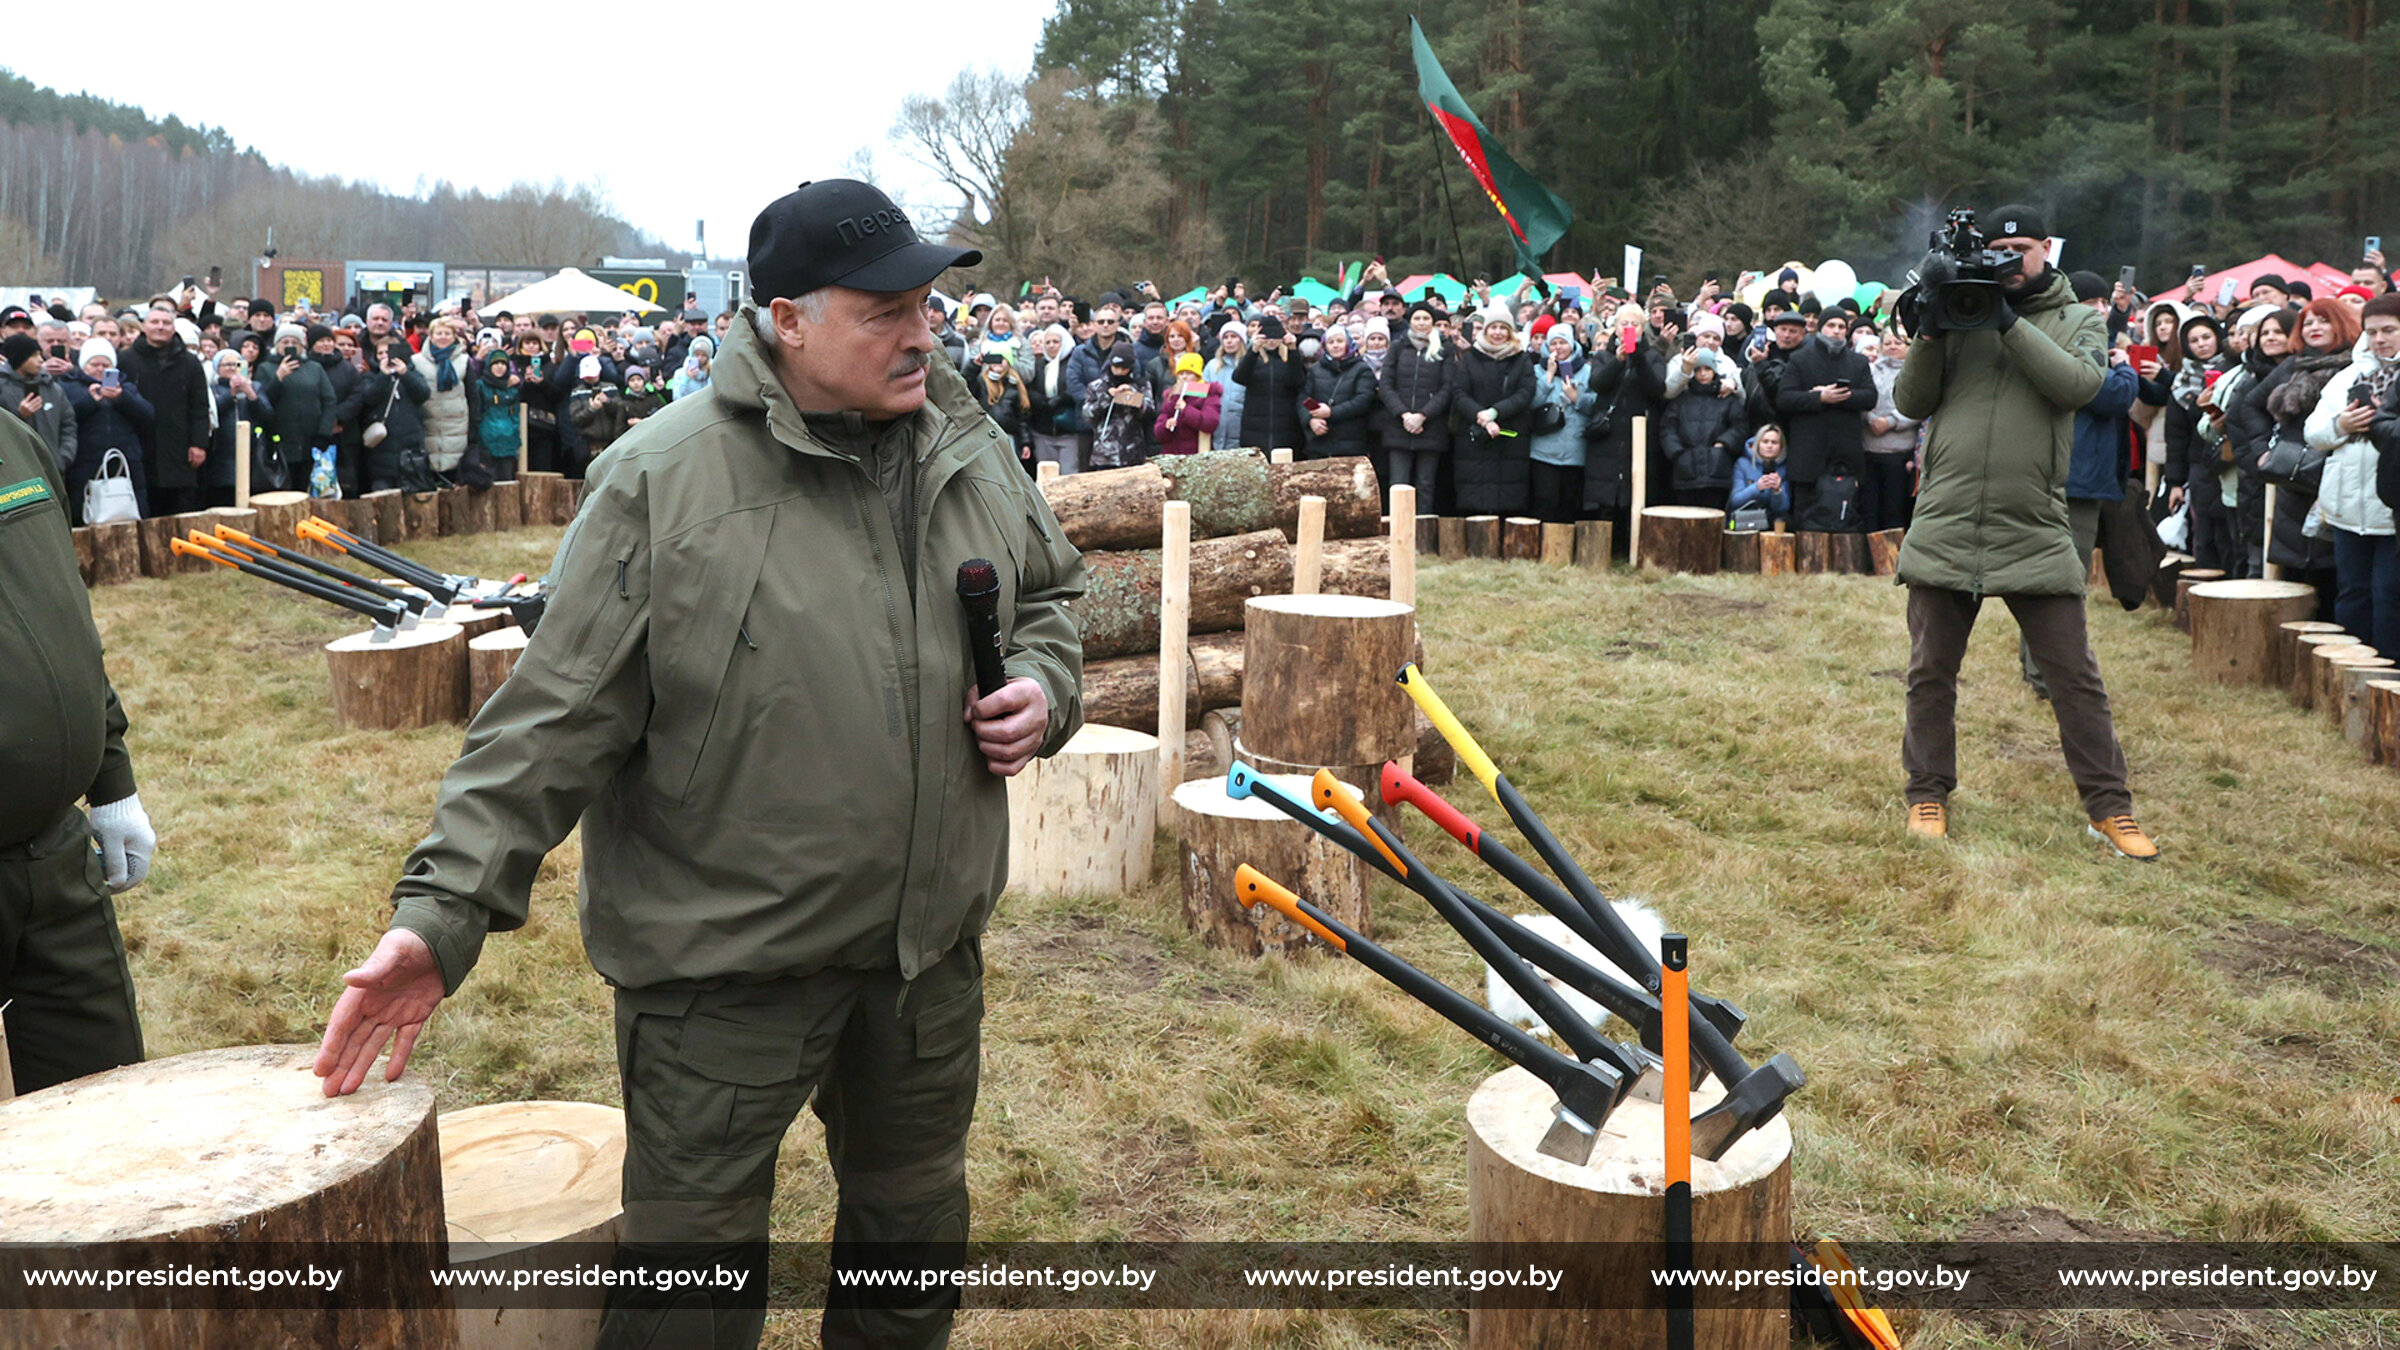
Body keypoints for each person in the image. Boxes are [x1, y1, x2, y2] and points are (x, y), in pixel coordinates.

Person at [312, 179, 1084, 1350]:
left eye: (927, 303)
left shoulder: (962, 445)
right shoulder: (661, 481)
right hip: (725, 977)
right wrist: (442, 915)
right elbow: (550, 719)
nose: (922, 332)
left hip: (925, 964)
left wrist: (1047, 687)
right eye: (883, 311)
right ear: (785, 319)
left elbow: (1054, 599)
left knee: (912, 1254)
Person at [1890, 205, 2156, 858]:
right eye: (1998, 247)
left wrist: (2004, 321)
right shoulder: (1956, 313)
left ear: (2046, 250)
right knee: (1930, 672)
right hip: (1949, 515)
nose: (2010, 259)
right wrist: (1930, 326)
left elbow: (2077, 386)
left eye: (2022, 248)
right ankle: (1927, 791)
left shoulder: (2078, 320)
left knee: (2074, 675)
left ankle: (2109, 809)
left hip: (2036, 522)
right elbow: (1909, 402)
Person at [0, 409, 155, 1095]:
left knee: (105, 1112)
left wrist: (111, 773)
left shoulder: (10, 435)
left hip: (56, 859)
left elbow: (65, 610)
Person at [2301, 293, 2399, 656]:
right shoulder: (2349, 375)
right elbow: (2313, 432)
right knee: (2353, 592)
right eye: (2372, 331)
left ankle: (2389, 676)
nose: (2380, 339)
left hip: (2391, 511)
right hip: (2347, 507)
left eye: (2389, 330)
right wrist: (2341, 424)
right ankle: (2346, 673)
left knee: (2389, 595)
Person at [2249, 299, 2357, 616]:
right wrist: (2261, 451)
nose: (2314, 328)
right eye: (2308, 322)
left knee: (2333, 573)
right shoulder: (2292, 365)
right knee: (2295, 570)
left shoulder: (2357, 365)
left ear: (2340, 324)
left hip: (2335, 477)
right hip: (2292, 480)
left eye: (2323, 321)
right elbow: (2250, 406)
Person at [1776, 307, 1874, 530]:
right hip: (1808, 453)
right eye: (1831, 325)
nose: (1836, 331)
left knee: (1846, 516)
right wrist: (1819, 397)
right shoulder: (1799, 359)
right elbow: (1785, 398)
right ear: (1821, 328)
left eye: (1841, 326)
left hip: (1845, 455)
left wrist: (1840, 396)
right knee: (1806, 516)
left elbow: (1870, 397)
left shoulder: (1858, 362)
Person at [116, 300, 211, 516]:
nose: (160, 327)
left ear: (173, 328)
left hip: (179, 445)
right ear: (144, 327)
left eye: (166, 323)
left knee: (179, 509)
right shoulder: (126, 359)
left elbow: (199, 406)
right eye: (155, 322)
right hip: (139, 444)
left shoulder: (190, 362)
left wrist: (199, 444)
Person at [1449, 307, 1536, 516]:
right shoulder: (1470, 358)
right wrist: (1482, 417)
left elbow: (1526, 392)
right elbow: (1460, 392)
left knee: (1509, 498)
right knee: (1475, 496)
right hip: (1475, 433)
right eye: (1493, 327)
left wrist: (1496, 412)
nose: (1498, 332)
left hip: (1511, 433)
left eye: (1503, 328)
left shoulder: (1521, 359)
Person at [63, 338, 153, 521]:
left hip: (125, 460)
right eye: (94, 364)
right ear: (83, 365)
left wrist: (122, 399)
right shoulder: (69, 386)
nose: (100, 369)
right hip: (84, 462)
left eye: (105, 364)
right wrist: (89, 402)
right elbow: (64, 418)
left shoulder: (126, 387)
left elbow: (148, 415)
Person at [1376, 304, 1449, 503]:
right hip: (1399, 426)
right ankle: (1398, 530)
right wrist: (1404, 414)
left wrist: (1423, 416)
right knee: (1398, 484)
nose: (1421, 322)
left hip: (1430, 426)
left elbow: (1448, 388)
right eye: (1417, 318)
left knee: (1425, 484)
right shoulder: (1399, 347)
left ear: (1432, 322)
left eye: (1426, 318)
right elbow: (1386, 384)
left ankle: (1423, 531)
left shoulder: (1444, 348)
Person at [1525, 326, 1596, 522]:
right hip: (1543, 449)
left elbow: (1596, 406)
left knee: (1569, 502)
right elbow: (1530, 404)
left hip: (1575, 447)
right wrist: (1548, 378)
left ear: (1572, 344)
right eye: (1554, 343)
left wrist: (1577, 398)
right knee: (1544, 501)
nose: (1558, 347)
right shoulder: (1536, 371)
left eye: (1563, 342)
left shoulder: (1587, 371)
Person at [259, 325, 338, 494]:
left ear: (302, 346)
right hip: (280, 441)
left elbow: (329, 400)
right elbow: (263, 402)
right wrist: (278, 377)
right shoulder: (265, 368)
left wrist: (324, 432)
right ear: (276, 345)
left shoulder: (314, 368)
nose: (290, 345)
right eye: (285, 341)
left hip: (311, 440)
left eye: (295, 342)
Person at [1661, 357, 1745, 508]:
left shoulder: (1728, 400)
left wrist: (1724, 444)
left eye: (1707, 369)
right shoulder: (1680, 399)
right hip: (1685, 469)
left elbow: (1740, 426)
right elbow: (1667, 428)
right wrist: (1677, 452)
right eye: (1698, 370)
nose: (1703, 374)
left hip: (1717, 469)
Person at [1862, 326, 1920, 531]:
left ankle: (1892, 558)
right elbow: (1861, 397)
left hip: (1899, 452)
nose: (1892, 346)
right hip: (1869, 449)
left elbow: (1919, 405)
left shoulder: (1916, 372)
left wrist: (1891, 421)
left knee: (1894, 511)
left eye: (1898, 342)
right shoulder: (1868, 370)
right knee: (1869, 509)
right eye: (1887, 343)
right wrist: (1871, 418)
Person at [205, 350, 273, 506]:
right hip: (221, 455)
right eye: (226, 364)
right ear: (217, 368)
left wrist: (249, 392)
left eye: (236, 364)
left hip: (253, 456)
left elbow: (267, 415)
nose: (231, 368)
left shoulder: (256, 387)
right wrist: (231, 394)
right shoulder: (212, 390)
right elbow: (213, 413)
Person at [1298, 325, 1375, 461]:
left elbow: (1363, 400)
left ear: (1348, 343)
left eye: (1339, 341)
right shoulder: (1315, 370)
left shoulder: (1362, 369)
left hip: (1351, 444)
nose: (1335, 346)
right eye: (1331, 342)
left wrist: (1331, 412)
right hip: (1319, 443)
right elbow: (1302, 399)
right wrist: (1310, 420)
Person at [3, 332, 76, 474]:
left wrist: (63, 458)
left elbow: (68, 425)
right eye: (34, 355)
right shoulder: (3, 388)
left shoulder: (52, 387)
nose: (41, 360)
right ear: (20, 359)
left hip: (54, 470)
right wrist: (19, 415)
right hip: (17, 472)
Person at [413, 317, 476, 476]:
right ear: (431, 336)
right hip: (428, 422)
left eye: (447, 333)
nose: (443, 337)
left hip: (457, 425)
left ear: (454, 336)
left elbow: (473, 395)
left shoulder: (464, 361)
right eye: (439, 333)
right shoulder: (417, 361)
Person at [1234, 315, 1305, 453]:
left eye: (1275, 335)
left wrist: (1292, 350)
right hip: (1254, 428)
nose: (1271, 340)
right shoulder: (1254, 359)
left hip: (1286, 428)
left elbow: (1297, 381)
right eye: (1267, 336)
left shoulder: (1288, 358)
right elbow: (1239, 377)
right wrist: (1253, 349)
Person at [1082, 347, 1154, 470]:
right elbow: (1088, 415)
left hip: (1132, 453)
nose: (1119, 371)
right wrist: (1108, 397)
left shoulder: (1141, 385)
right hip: (1105, 454)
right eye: (1116, 367)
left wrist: (1133, 399)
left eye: (1124, 368)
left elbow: (1150, 413)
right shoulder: (1097, 386)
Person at [1025, 326, 1082, 475]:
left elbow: (1077, 386)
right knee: (1046, 477)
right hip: (1042, 429)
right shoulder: (1038, 365)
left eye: (1055, 341)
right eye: (1048, 342)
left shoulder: (1073, 363)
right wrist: (1039, 400)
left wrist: (1061, 399)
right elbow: (1028, 388)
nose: (1051, 345)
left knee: (1069, 475)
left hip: (1068, 431)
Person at [969, 349, 1034, 473]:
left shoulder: (1015, 385)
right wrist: (974, 366)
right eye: (993, 359)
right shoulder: (981, 382)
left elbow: (1022, 418)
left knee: (1011, 472)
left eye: (1001, 358)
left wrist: (1026, 443)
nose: (997, 362)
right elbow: (965, 383)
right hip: (986, 436)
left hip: (1010, 438)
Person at [1152, 352, 1221, 457]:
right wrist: (1166, 425)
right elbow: (1159, 433)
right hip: (1172, 456)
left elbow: (1210, 423)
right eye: (1181, 373)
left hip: (1196, 455)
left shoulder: (1208, 394)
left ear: (1197, 376)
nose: (1184, 377)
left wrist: (1186, 410)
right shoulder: (1172, 395)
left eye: (1189, 373)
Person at [1728, 424, 1792, 527]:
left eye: (1774, 442)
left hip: (1770, 522)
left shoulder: (1784, 469)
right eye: (1765, 442)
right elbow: (1735, 501)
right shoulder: (1742, 464)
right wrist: (1757, 487)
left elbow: (1782, 508)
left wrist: (1777, 491)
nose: (1769, 446)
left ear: (1781, 447)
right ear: (1757, 444)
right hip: (1743, 520)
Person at [474, 354, 523, 481]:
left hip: (508, 440)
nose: (500, 367)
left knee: (506, 480)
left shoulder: (512, 390)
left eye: (503, 364)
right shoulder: (480, 386)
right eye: (496, 363)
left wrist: (514, 433)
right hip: (486, 440)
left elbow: (515, 415)